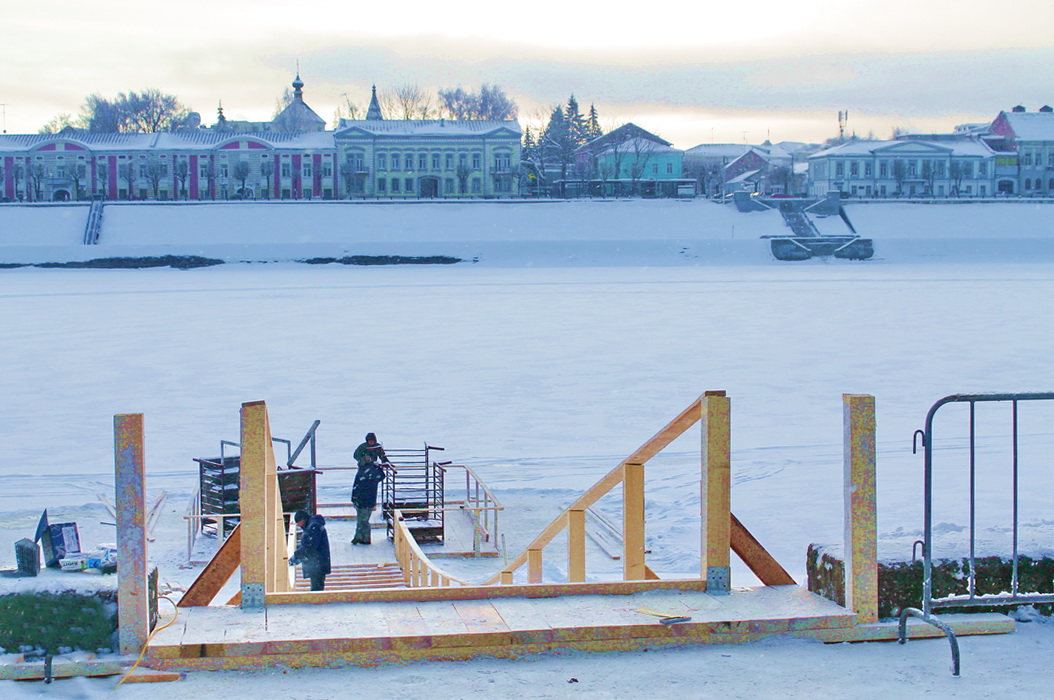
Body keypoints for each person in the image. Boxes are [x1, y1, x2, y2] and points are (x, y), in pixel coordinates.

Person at [351, 432, 392, 544]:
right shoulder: (363, 447)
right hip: (366, 498)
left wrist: (386, 462)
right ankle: (361, 537)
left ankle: (363, 538)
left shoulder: (377, 448)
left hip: (365, 499)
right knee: (362, 519)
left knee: (362, 520)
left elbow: (383, 457)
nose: (371, 442)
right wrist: (363, 459)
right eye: (369, 441)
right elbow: (356, 455)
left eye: (372, 441)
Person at [289, 509, 331, 591]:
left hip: (317, 563)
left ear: (302, 520)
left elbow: (310, 547)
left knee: (316, 588)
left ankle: (317, 599)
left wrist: (297, 555)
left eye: (298, 523)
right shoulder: (312, 526)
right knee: (317, 586)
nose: (298, 525)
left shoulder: (314, 527)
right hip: (317, 562)